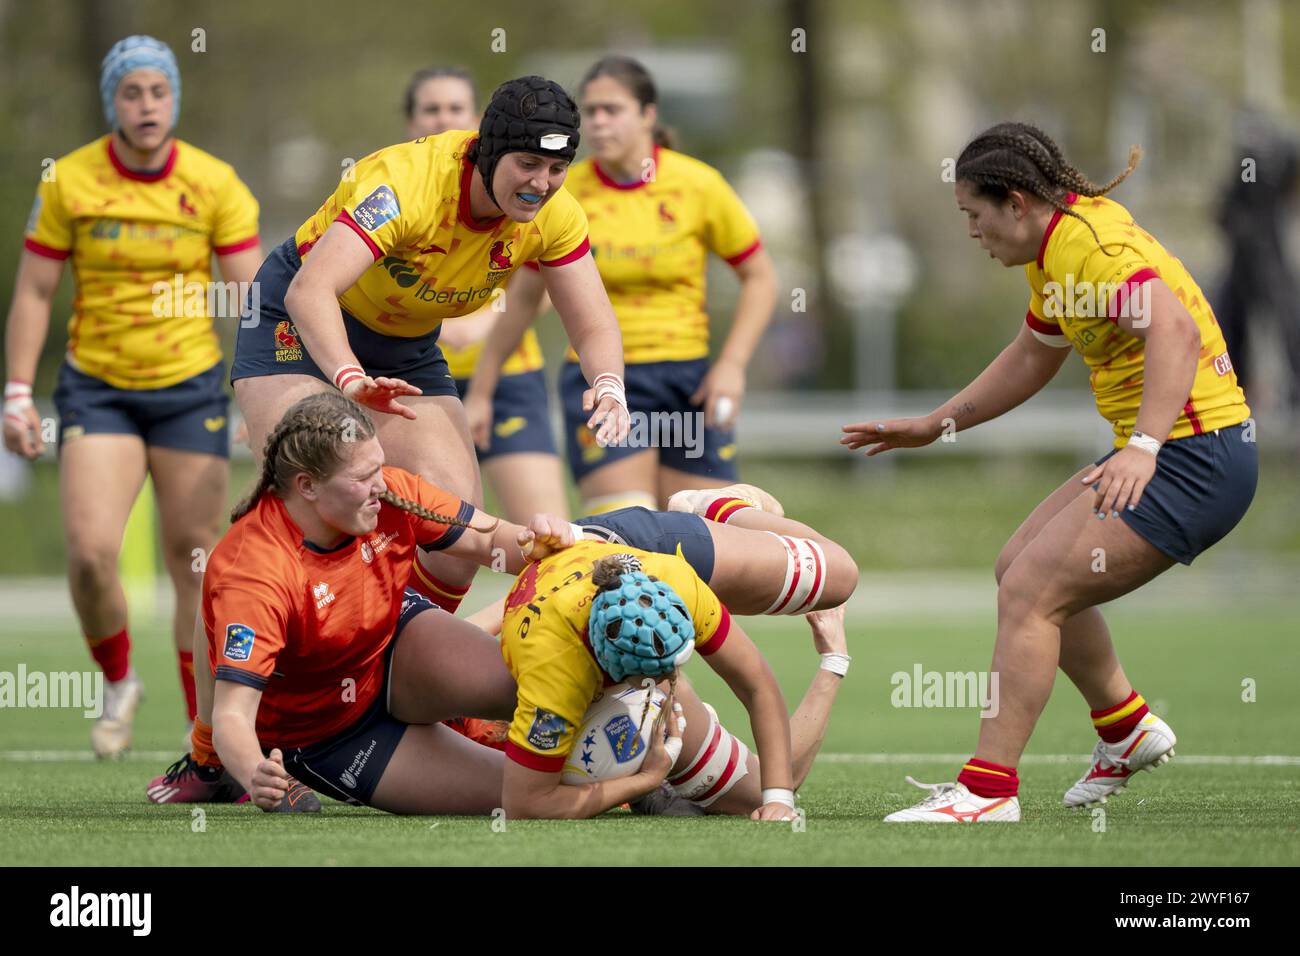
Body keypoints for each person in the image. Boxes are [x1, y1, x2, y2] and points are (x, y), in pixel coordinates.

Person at [843, 122, 1257, 822]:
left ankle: (987, 791)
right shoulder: (1055, 249)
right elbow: (1034, 356)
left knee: (1034, 593)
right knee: (1018, 569)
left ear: (1016, 201)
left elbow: (1175, 330)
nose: (973, 232)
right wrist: (935, 423)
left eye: (974, 215)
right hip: (1177, 449)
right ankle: (1124, 727)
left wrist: (1144, 448)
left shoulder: (1089, 247)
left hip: (1195, 458)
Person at [229, 74, 628, 622]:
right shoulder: (406, 185)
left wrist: (609, 385)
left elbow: (594, 324)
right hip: (298, 323)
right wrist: (349, 380)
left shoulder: (555, 215)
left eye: (557, 168)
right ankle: (229, 701)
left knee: (461, 542)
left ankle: (393, 675)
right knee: (310, 506)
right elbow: (310, 290)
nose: (542, 183)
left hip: (401, 343)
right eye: (527, 164)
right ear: (489, 150)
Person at [2, 35, 262, 756]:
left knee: (195, 557)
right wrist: (18, 393)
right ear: (111, 101)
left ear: (174, 97)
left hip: (189, 390)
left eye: (158, 91)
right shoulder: (69, 181)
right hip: (98, 390)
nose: (146, 106)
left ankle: (200, 731)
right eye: (131, 93)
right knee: (89, 553)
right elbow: (34, 289)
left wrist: (255, 393)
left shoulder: (215, 182)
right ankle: (118, 678)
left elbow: (249, 297)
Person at [198, 392, 576, 812]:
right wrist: (255, 771)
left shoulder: (389, 491)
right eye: (363, 476)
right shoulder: (256, 570)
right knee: (525, 792)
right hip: (334, 734)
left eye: (379, 466)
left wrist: (549, 539)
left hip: (394, 649)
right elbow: (231, 714)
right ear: (306, 485)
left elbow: (493, 539)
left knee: (551, 685)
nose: (381, 485)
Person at [472, 56, 778, 516]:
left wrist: (732, 365)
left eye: (611, 110)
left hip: (686, 381)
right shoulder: (562, 189)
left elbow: (761, 278)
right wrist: (482, 387)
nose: (597, 122)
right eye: (590, 111)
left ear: (648, 115)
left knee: (699, 526)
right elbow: (528, 299)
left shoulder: (697, 185)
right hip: (602, 381)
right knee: (627, 529)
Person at [496, 543, 849, 820]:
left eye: (675, 662)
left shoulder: (679, 584)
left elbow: (757, 684)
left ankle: (723, 509)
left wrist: (779, 800)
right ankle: (652, 788)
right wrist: (644, 779)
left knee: (760, 791)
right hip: (554, 611)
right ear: (609, 665)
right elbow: (526, 806)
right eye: (656, 672)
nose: (670, 678)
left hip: (634, 543)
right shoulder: (556, 668)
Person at [401, 67, 570, 523]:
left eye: (455, 108)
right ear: (410, 123)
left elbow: (554, 288)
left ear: (479, 118)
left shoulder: (524, 184)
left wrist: (484, 319)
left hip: (509, 378)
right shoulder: (400, 186)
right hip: (409, 383)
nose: (443, 119)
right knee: (434, 534)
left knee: (546, 533)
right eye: (430, 109)